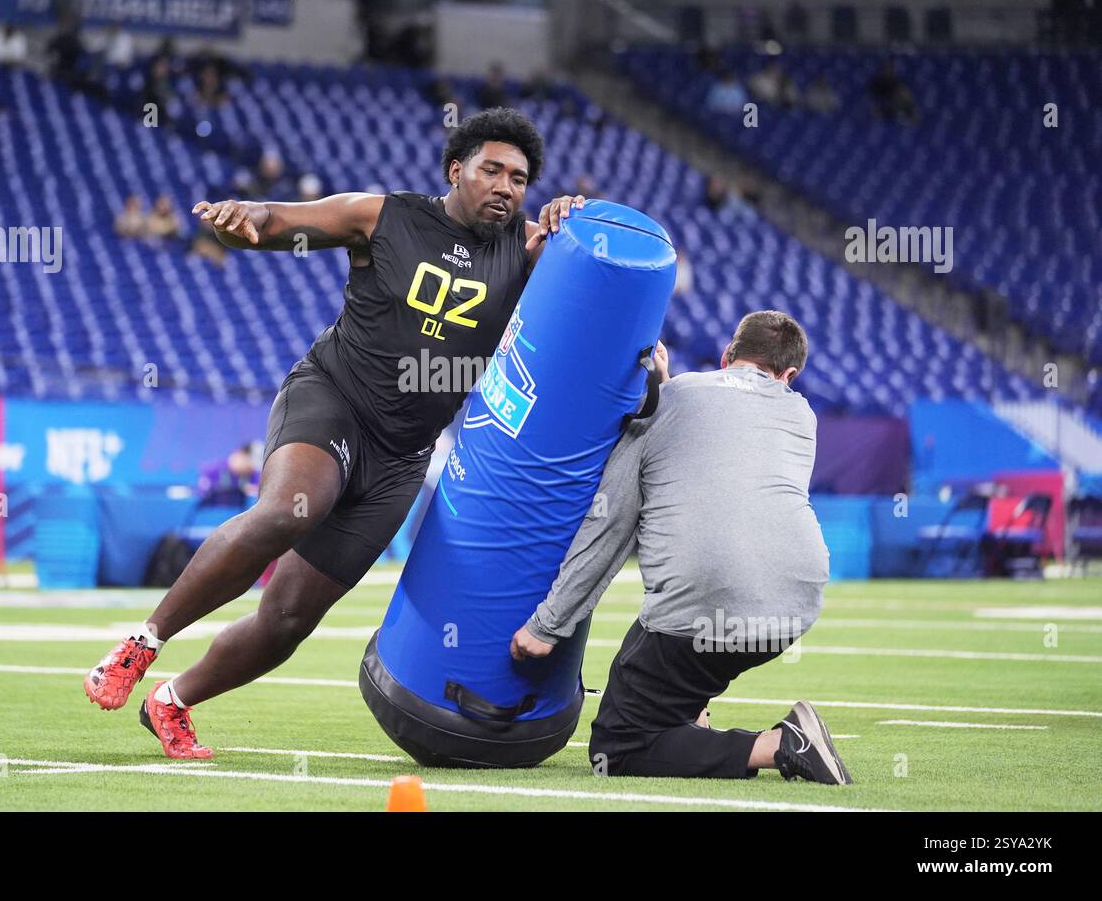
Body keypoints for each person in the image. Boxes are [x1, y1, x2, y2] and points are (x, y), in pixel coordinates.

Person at [83, 107, 585, 758]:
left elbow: (587, 285)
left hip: (403, 456)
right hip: (334, 400)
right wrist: (245, 221)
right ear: (454, 169)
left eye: (519, 179)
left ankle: (172, 701)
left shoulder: (530, 251)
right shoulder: (382, 216)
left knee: (290, 619)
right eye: (492, 170)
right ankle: (142, 643)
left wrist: (578, 223)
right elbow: (277, 221)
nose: (506, 187)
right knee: (287, 512)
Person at [510, 311, 848, 785]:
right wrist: (666, 396)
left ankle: (782, 744)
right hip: (794, 606)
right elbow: (722, 467)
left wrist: (549, 625)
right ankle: (693, 717)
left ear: (727, 355)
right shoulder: (801, 415)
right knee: (689, 660)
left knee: (620, 745)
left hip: (709, 601)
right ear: (788, 375)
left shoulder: (672, 399)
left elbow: (610, 522)